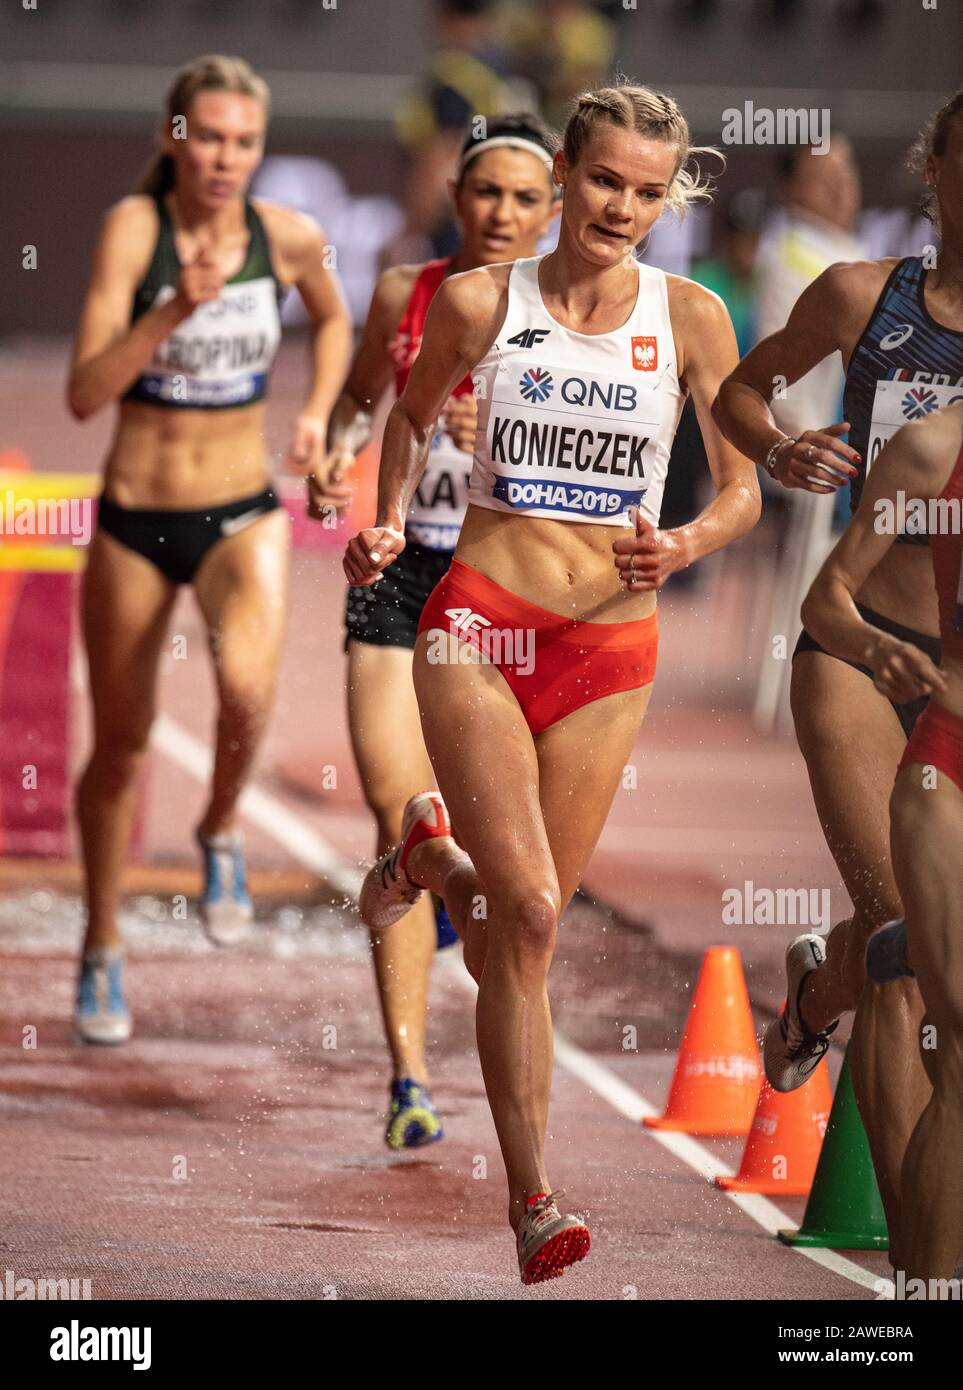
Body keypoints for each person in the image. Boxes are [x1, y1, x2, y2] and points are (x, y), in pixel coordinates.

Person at [344, 83, 759, 1283]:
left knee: (523, 932)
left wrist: (682, 544)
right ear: (567, 176)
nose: (622, 207)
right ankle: (532, 1196)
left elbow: (742, 488)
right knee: (525, 913)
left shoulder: (692, 317)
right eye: (605, 181)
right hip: (481, 620)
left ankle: (427, 861)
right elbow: (411, 425)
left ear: (667, 195)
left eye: (647, 190)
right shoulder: (481, 300)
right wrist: (381, 524)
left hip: (613, 650)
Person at [712, 87, 963, 1267]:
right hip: (857, 640)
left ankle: (815, 999)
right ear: (935, 171)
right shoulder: (867, 298)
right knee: (907, 942)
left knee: (913, 946)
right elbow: (740, 387)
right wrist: (780, 446)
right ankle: (921, 1267)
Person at [67, 54, 352, 1043]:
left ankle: (220, 824)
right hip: (137, 520)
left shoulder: (287, 236)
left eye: (245, 141)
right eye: (210, 138)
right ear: (173, 139)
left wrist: (319, 417)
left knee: (247, 685)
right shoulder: (134, 232)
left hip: (241, 508)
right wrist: (174, 309)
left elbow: (334, 319)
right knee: (120, 746)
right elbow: (84, 392)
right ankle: (103, 946)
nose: (227, 157)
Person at [309, 113, 561, 1150]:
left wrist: (500, 429)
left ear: (552, 211)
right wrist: (334, 457)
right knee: (393, 803)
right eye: (484, 192)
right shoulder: (402, 293)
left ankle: (449, 877)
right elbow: (362, 404)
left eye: (522, 196)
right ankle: (409, 1075)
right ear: (458, 196)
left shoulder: (571, 322)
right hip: (403, 570)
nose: (501, 213)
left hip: (508, 583)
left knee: (518, 862)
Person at [801, 401, 963, 1284]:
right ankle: (923, 1284)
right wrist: (870, 644)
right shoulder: (935, 445)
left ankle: (892, 950)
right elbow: (822, 598)